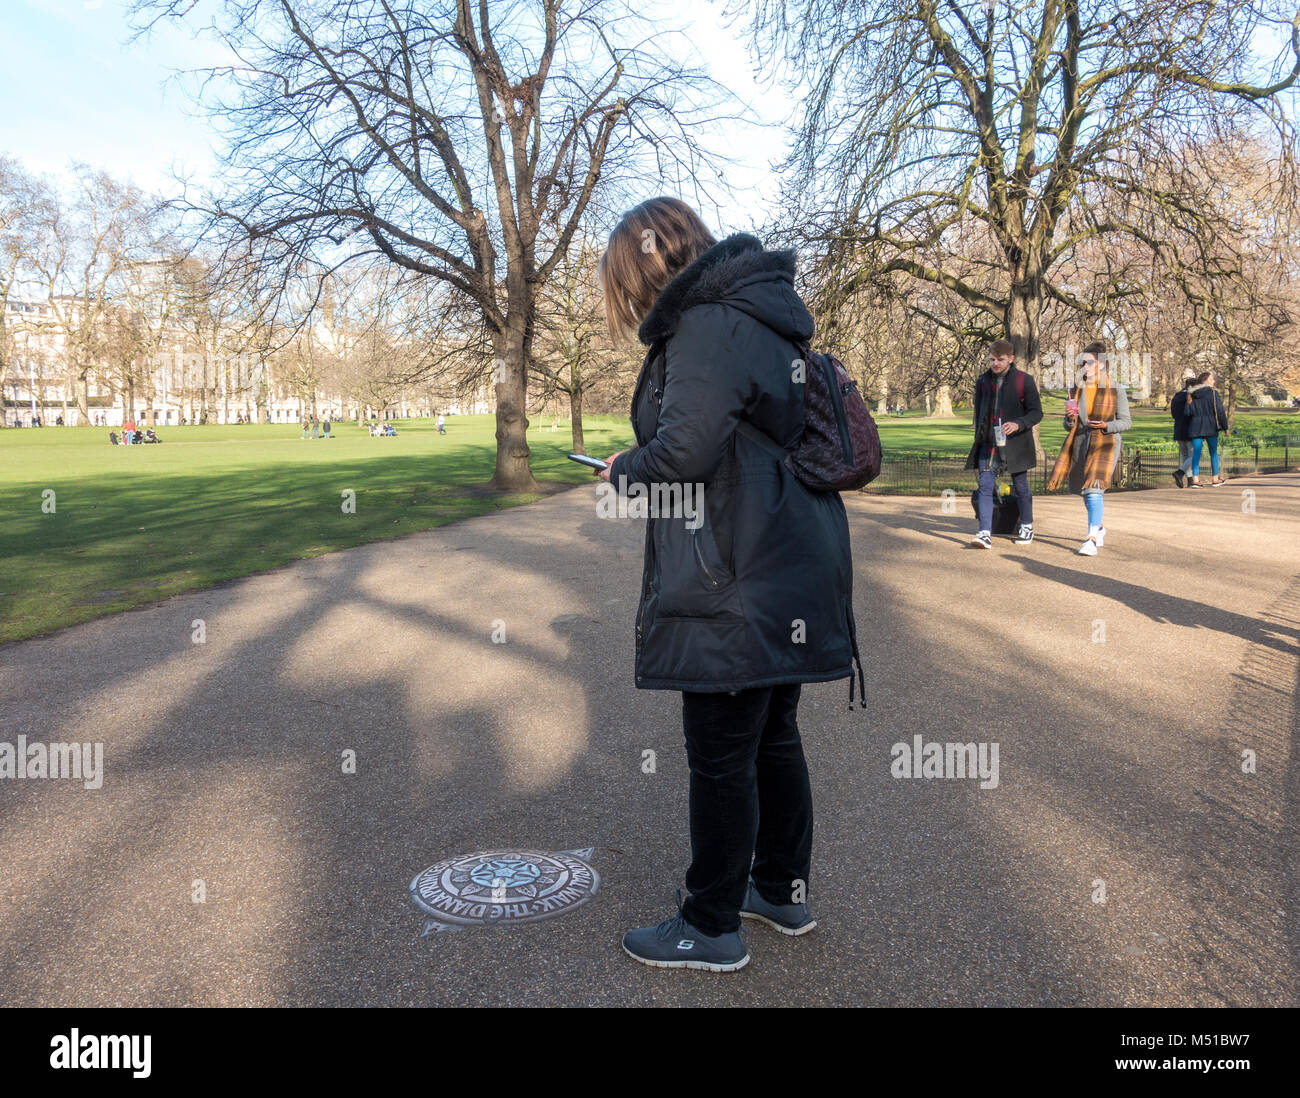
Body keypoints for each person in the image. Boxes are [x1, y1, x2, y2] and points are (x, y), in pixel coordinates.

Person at [595, 197, 861, 973]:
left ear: (648, 263)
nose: (630, 301)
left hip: (736, 568)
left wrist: (624, 470)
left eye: (626, 281)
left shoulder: (708, 321)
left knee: (719, 751)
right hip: (784, 556)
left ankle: (709, 924)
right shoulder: (761, 312)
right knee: (770, 734)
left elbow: (683, 452)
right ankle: (779, 886)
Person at [1049, 341, 1131, 555]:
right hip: (1081, 440)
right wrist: (1069, 420)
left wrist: (1106, 425)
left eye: (1089, 362)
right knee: (1085, 492)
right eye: (1082, 362)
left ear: (1101, 364)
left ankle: (1091, 539)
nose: (1084, 366)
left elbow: (1126, 422)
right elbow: (1068, 424)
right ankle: (1100, 527)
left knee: (1093, 488)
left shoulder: (1116, 389)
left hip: (1105, 442)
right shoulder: (1075, 389)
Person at [964, 338, 1043, 548]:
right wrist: (980, 435)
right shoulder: (982, 382)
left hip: (1015, 443)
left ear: (1011, 359)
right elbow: (980, 412)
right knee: (985, 487)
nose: (995, 364)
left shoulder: (1024, 381)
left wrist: (1019, 424)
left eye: (1000, 359)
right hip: (989, 443)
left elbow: (1037, 412)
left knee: (1021, 487)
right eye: (991, 359)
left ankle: (1027, 526)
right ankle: (984, 533)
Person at [1185, 370, 1229, 487]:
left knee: (1196, 454)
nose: (1214, 381)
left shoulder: (1191, 394)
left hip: (1195, 426)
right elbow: (1220, 412)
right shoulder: (1213, 393)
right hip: (1211, 426)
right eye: (1212, 379)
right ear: (1206, 381)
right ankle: (1215, 479)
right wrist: (1225, 427)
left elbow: (1187, 412)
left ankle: (1195, 480)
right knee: (1213, 453)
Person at [1169, 370, 1197, 487]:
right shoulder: (1194, 397)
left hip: (1179, 428)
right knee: (1194, 455)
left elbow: (1174, 414)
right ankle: (1179, 472)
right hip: (1191, 429)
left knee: (1186, 456)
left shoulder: (1177, 396)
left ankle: (1190, 481)